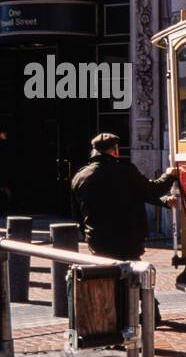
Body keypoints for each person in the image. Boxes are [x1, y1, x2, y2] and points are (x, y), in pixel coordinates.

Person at [71, 133, 179, 322]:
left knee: (109, 277)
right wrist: (169, 176)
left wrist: (86, 233)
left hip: (98, 238)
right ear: (116, 150)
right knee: (134, 273)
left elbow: (76, 212)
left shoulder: (80, 176)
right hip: (127, 236)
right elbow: (149, 190)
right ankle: (148, 314)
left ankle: (117, 318)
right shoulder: (125, 170)